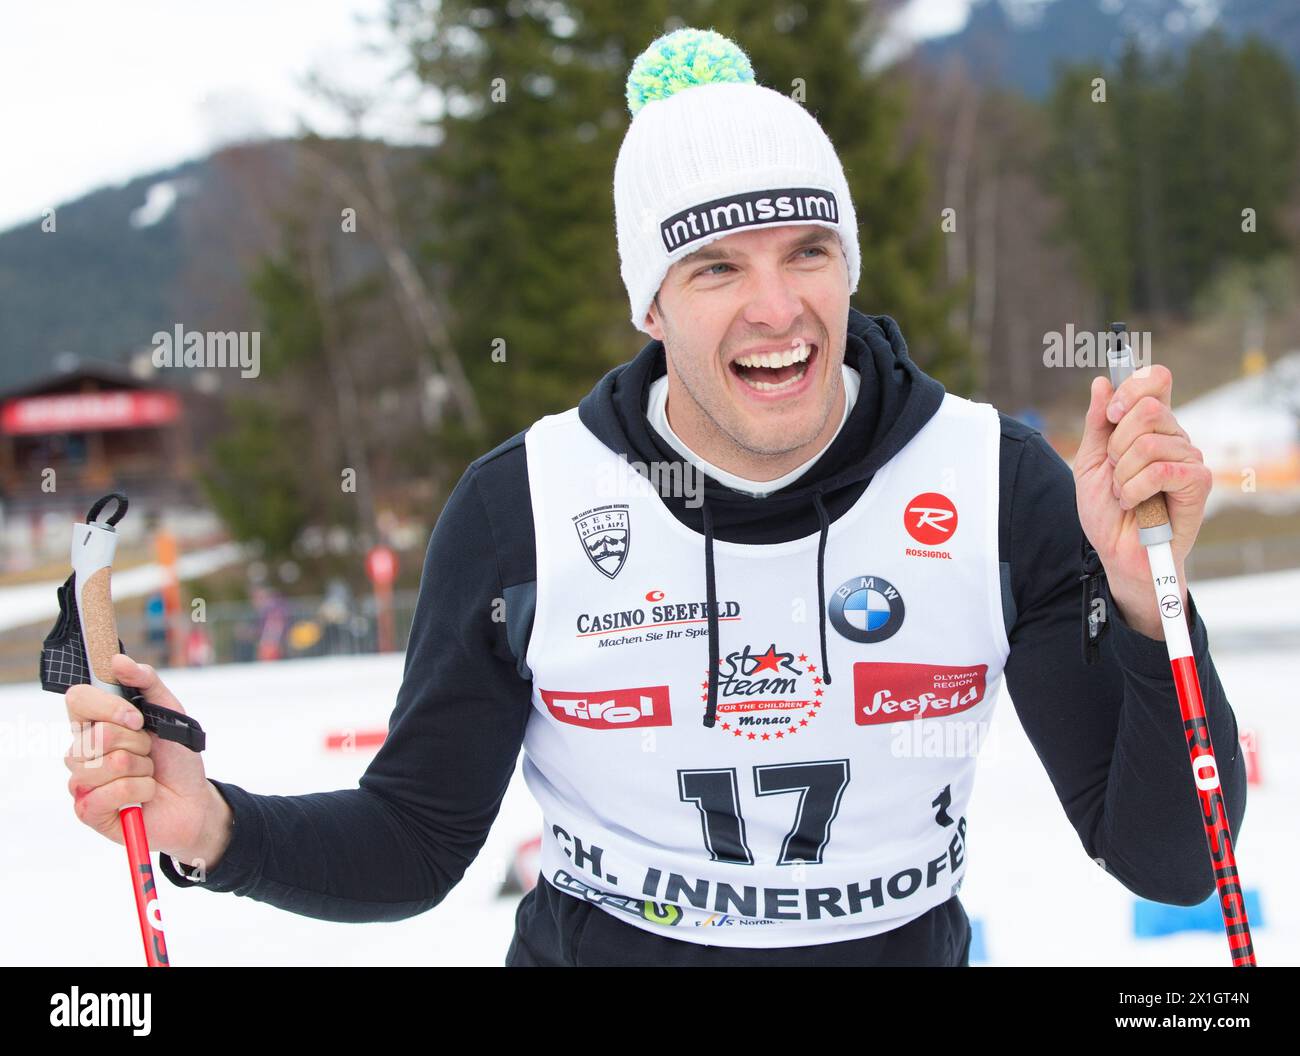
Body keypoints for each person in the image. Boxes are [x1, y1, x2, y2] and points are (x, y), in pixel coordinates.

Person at [62, 27, 1245, 967]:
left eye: (806, 251)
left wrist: (1152, 609)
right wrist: (210, 824)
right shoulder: (521, 507)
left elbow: (1173, 861)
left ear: (849, 265)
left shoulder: (994, 485)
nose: (775, 310)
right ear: (649, 304)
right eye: (716, 266)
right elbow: (416, 840)